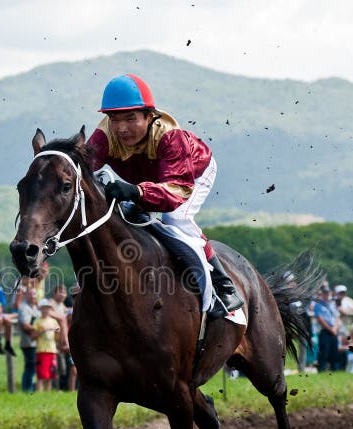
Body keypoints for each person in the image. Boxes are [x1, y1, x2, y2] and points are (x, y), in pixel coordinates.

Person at [87, 74, 243, 317]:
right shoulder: (103, 136)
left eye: (130, 118)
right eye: (114, 119)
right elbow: (84, 173)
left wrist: (137, 191)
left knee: (175, 220)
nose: (122, 128)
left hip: (191, 174)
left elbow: (175, 192)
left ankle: (223, 287)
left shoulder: (170, 136)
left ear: (150, 116)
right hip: (148, 180)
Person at [31, 299, 60, 392]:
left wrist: (58, 332)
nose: (46, 310)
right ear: (40, 309)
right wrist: (43, 331)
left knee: (51, 374)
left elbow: (57, 337)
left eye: (47, 308)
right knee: (41, 375)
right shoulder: (37, 321)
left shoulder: (54, 321)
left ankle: (48, 393)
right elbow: (32, 337)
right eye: (44, 308)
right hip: (42, 350)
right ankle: (39, 393)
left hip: (52, 350)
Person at [17, 288, 40, 393]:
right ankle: (27, 389)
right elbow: (25, 325)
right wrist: (42, 329)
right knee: (30, 366)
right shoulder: (23, 308)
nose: (33, 296)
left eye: (34, 294)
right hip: (28, 342)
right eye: (31, 294)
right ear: (26, 295)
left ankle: (31, 388)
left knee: (33, 367)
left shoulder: (36, 307)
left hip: (37, 342)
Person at [314, 283, 341, 371]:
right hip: (325, 331)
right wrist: (331, 329)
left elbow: (337, 317)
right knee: (324, 353)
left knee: (334, 353)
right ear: (322, 294)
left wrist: (335, 328)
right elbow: (320, 319)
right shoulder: (318, 305)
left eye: (328, 293)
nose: (327, 294)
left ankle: (335, 370)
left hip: (334, 331)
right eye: (325, 293)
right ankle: (321, 370)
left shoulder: (333, 304)